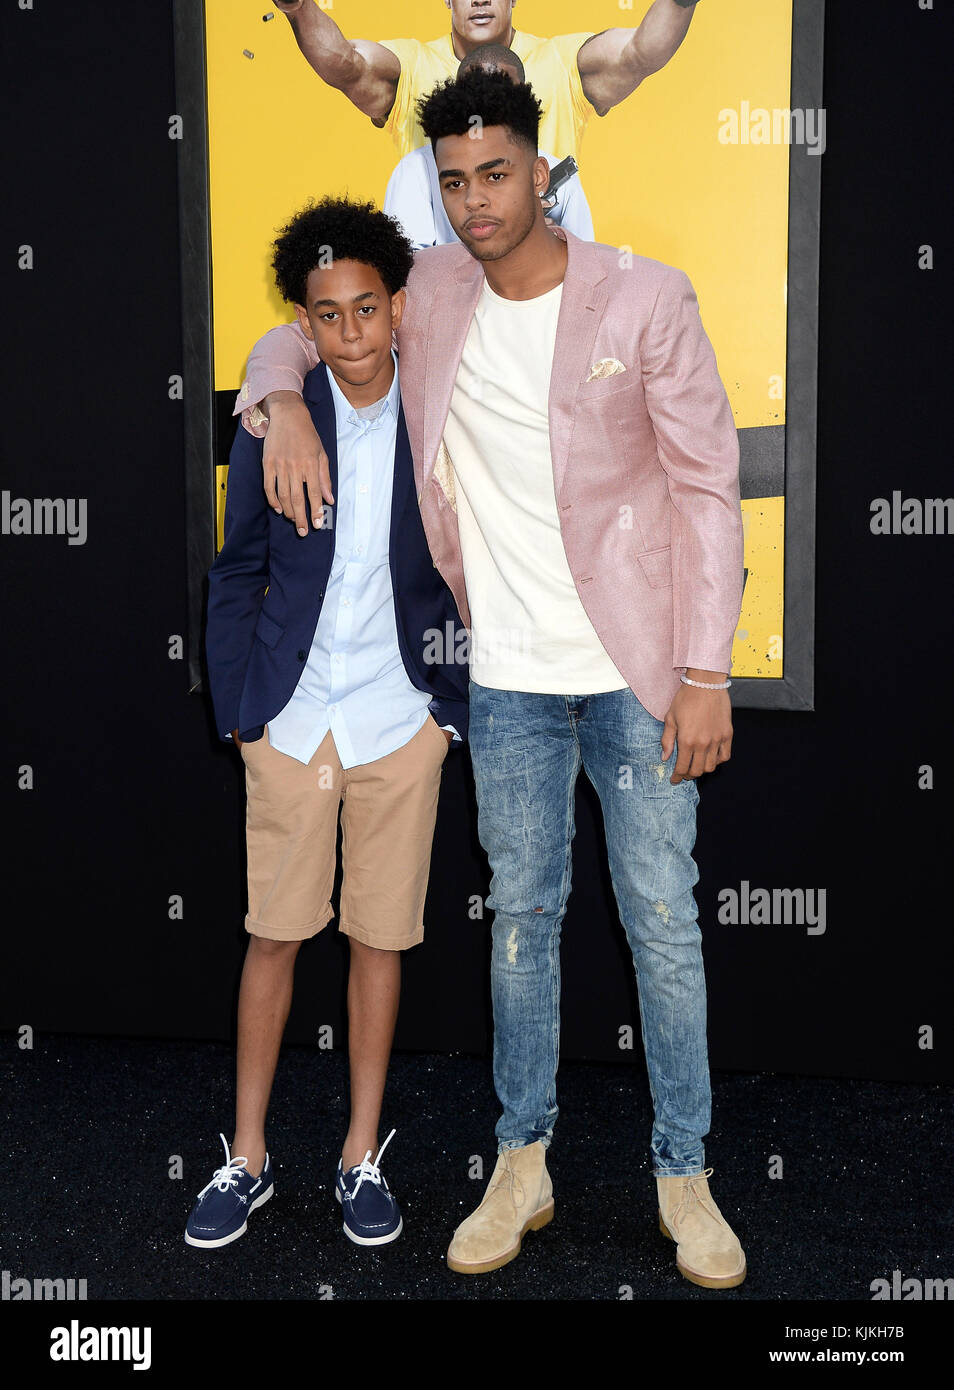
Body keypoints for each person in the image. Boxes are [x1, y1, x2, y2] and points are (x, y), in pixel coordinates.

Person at [236, 68, 746, 1289]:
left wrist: (705, 669)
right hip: (506, 679)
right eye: (455, 181)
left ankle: (687, 1173)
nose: (475, 202)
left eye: (497, 173)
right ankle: (523, 1166)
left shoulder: (645, 295)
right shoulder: (437, 291)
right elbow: (302, 312)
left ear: (540, 166)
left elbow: (709, 485)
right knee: (520, 927)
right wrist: (277, 400)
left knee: (663, 922)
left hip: (636, 674)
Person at [188, 197, 469, 1251]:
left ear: (398, 307)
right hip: (293, 716)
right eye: (327, 316)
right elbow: (238, 569)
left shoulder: (442, 404)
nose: (351, 333)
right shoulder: (274, 411)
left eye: (367, 309)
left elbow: (465, 568)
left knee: (379, 940)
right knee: (273, 935)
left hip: (403, 718)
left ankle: (359, 1156)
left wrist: (450, 712)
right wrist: (240, 711)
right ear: (304, 322)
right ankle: (247, 1157)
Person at [271, 0, 700, 162]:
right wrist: (299, 7)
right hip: (440, 283)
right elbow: (343, 63)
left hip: (543, 283)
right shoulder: (412, 64)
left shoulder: (562, 60)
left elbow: (641, 51)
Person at [385, 43, 594, 249]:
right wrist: (501, 241)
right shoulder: (415, 169)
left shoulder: (561, 179)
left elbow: (586, 266)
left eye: (502, 94)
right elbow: (407, 270)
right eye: (455, 184)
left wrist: (550, 244)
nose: (488, 103)